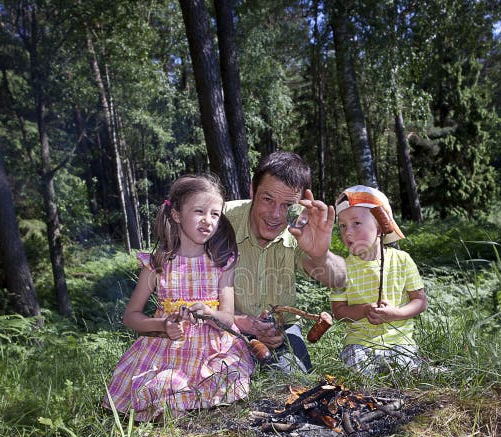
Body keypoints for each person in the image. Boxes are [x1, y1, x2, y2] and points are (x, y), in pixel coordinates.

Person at [103, 174, 255, 421]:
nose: (208, 220)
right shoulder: (158, 265)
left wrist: (211, 313)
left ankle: (180, 405)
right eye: (199, 211)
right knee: (161, 383)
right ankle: (174, 404)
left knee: (229, 376)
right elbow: (131, 316)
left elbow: (227, 318)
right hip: (168, 349)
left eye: (215, 214)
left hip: (211, 348)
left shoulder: (221, 264)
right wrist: (162, 325)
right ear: (176, 215)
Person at [224, 151, 346, 374]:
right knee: (222, 377)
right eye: (268, 199)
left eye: (287, 205)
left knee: (292, 378)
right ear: (252, 190)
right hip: (223, 325)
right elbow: (190, 288)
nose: (276, 215)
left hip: (282, 330)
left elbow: (339, 279)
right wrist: (240, 322)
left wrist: (320, 253)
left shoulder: (298, 229)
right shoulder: (220, 220)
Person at [330, 185, 428, 376]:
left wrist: (396, 314)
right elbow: (339, 312)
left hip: (399, 342)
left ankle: (418, 371)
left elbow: (420, 301)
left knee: (408, 371)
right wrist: (364, 310)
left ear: (380, 226)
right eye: (342, 226)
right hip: (359, 343)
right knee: (356, 368)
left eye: (356, 223)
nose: (347, 232)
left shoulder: (402, 260)